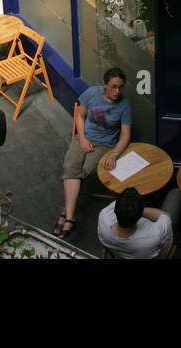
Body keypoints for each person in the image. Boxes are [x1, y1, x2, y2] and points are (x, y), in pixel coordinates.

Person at [57, 67, 131, 239]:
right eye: (113, 86)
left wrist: (114, 155)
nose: (117, 91)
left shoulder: (124, 104)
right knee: (70, 165)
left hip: (104, 145)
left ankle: (67, 214)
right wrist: (82, 138)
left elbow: (125, 136)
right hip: (84, 138)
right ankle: (70, 217)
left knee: (84, 170)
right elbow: (80, 116)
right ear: (104, 85)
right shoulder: (92, 93)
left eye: (120, 87)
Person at [96, 188, 176, 259]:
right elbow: (166, 216)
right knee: (175, 192)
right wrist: (141, 211)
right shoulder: (155, 235)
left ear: (114, 211)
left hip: (118, 252)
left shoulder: (103, 216)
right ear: (140, 216)